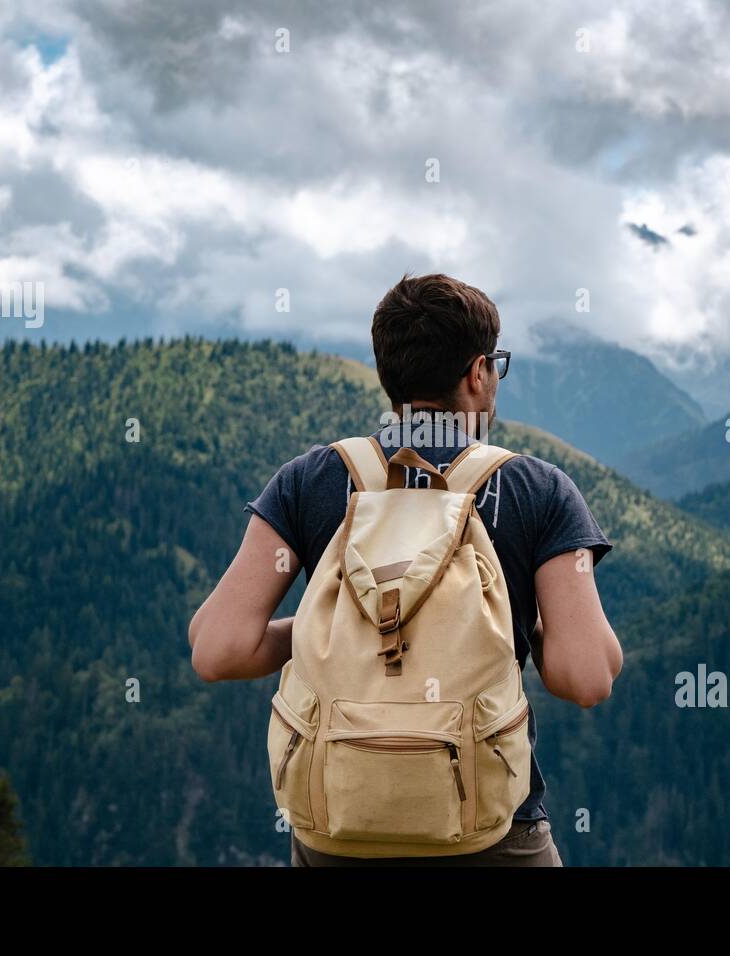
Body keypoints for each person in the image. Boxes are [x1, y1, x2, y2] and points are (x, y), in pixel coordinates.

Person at [189, 273, 623, 866]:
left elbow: (219, 650)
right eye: (496, 364)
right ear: (477, 372)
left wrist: (335, 625)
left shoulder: (311, 480)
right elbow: (587, 677)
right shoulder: (537, 490)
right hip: (490, 831)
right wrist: (513, 632)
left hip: (340, 827)